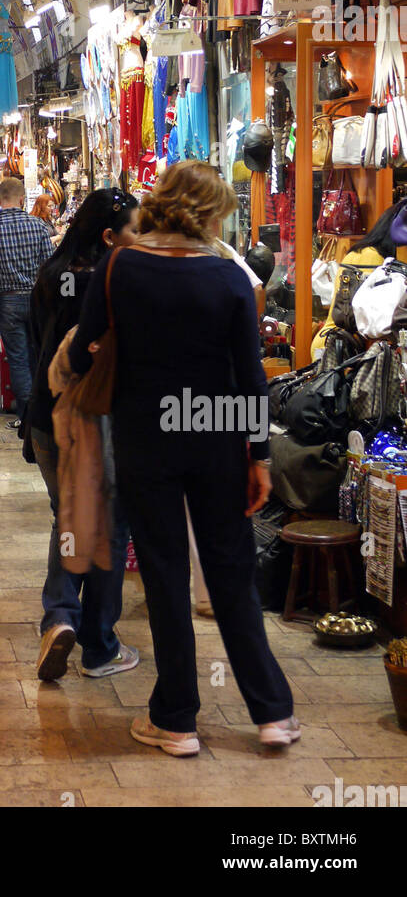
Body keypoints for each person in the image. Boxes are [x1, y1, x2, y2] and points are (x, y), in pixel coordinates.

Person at [69, 161, 298, 756]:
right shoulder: (227, 279)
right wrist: (260, 456)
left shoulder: (120, 265)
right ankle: (271, 713)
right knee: (231, 571)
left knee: (166, 573)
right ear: (212, 212)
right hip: (217, 434)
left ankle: (176, 720)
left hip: (146, 434)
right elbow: (251, 378)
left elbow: (86, 341)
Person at [28, 189, 141, 683]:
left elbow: (36, 344)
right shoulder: (115, 283)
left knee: (70, 515)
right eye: (136, 230)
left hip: (45, 417)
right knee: (108, 528)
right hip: (93, 421)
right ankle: (98, 644)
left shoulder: (52, 274)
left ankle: (58, 618)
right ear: (110, 236)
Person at [0, 175, 54, 428]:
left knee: (17, 358)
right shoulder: (38, 226)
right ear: (22, 199)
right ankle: (44, 413)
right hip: (38, 300)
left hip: (8, 301)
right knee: (39, 355)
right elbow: (50, 268)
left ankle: (26, 416)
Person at [312, 199, 407, 355]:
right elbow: (371, 319)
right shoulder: (371, 258)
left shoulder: (365, 253)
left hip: (340, 343)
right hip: (343, 348)